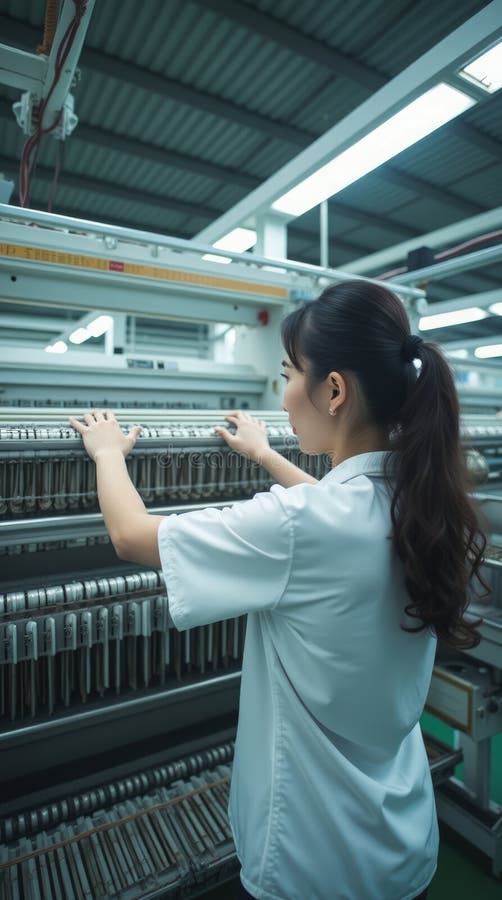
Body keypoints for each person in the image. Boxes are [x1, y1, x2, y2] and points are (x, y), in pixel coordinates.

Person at [69, 279, 487, 900]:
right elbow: (331, 510)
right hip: (401, 846)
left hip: (315, 862)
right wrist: (265, 456)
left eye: (289, 373)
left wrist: (107, 453)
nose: (284, 394)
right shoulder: (420, 501)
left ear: (335, 391)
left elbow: (132, 536)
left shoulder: (303, 528)